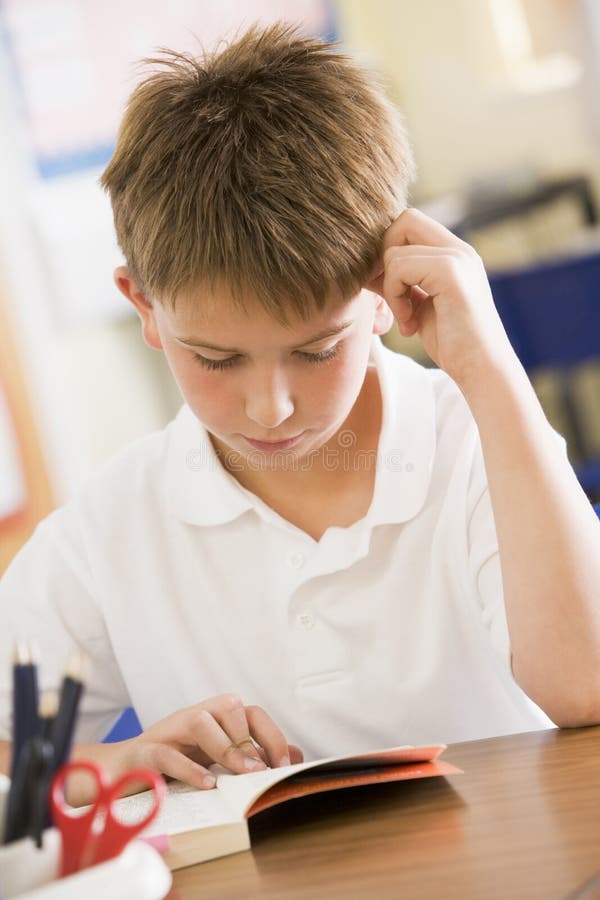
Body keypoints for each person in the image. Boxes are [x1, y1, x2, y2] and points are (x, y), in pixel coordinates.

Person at [1, 22, 599, 803]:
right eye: (216, 359)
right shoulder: (116, 525)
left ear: (389, 293)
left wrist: (492, 371)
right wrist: (106, 769)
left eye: (316, 350)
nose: (270, 405)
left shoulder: (478, 444)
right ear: (144, 308)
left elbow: (586, 688)